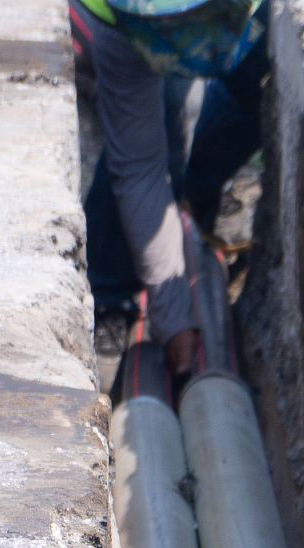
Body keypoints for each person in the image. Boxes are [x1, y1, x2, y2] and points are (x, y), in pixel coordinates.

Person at [68, 0, 266, 377]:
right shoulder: (122, 22)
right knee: (161, 129)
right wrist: (172, 315)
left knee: (235, 95)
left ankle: (198, 205)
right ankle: (112, 296)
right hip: (130, 28)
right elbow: (140, 166)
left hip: (234, 17)